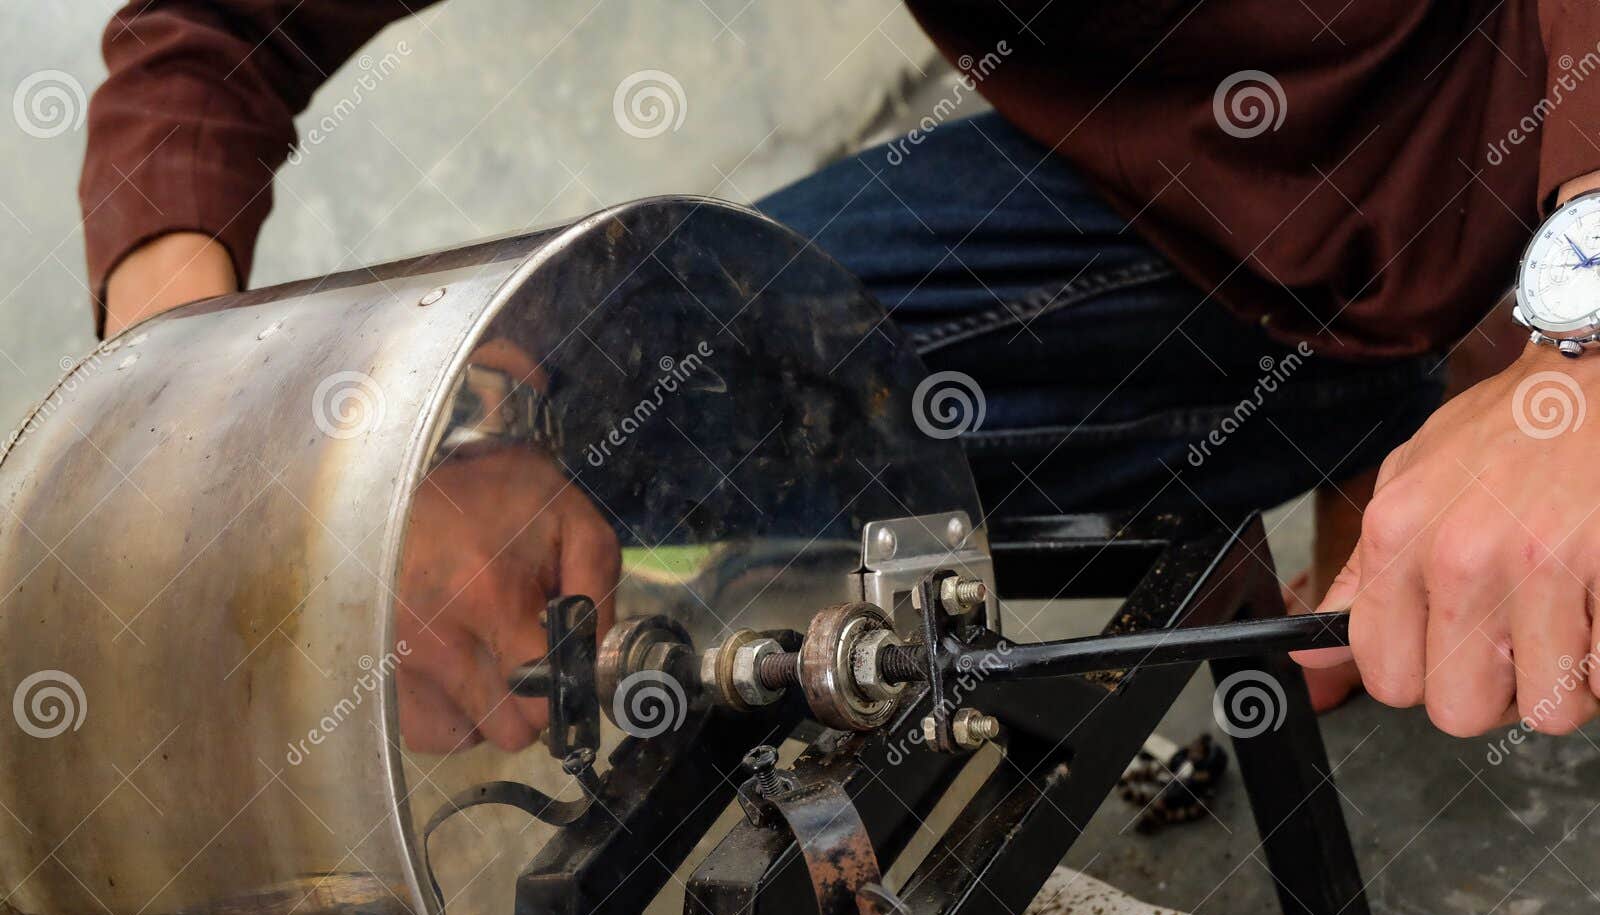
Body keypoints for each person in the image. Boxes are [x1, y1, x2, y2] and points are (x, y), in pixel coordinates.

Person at [78, 2, 1600, 748]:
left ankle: (1448, 372)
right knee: (624, 369)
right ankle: (1377, 412)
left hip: (1528, 129)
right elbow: (206, 38)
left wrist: (1575, 357)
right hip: (1199, 214)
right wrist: (235, 447)